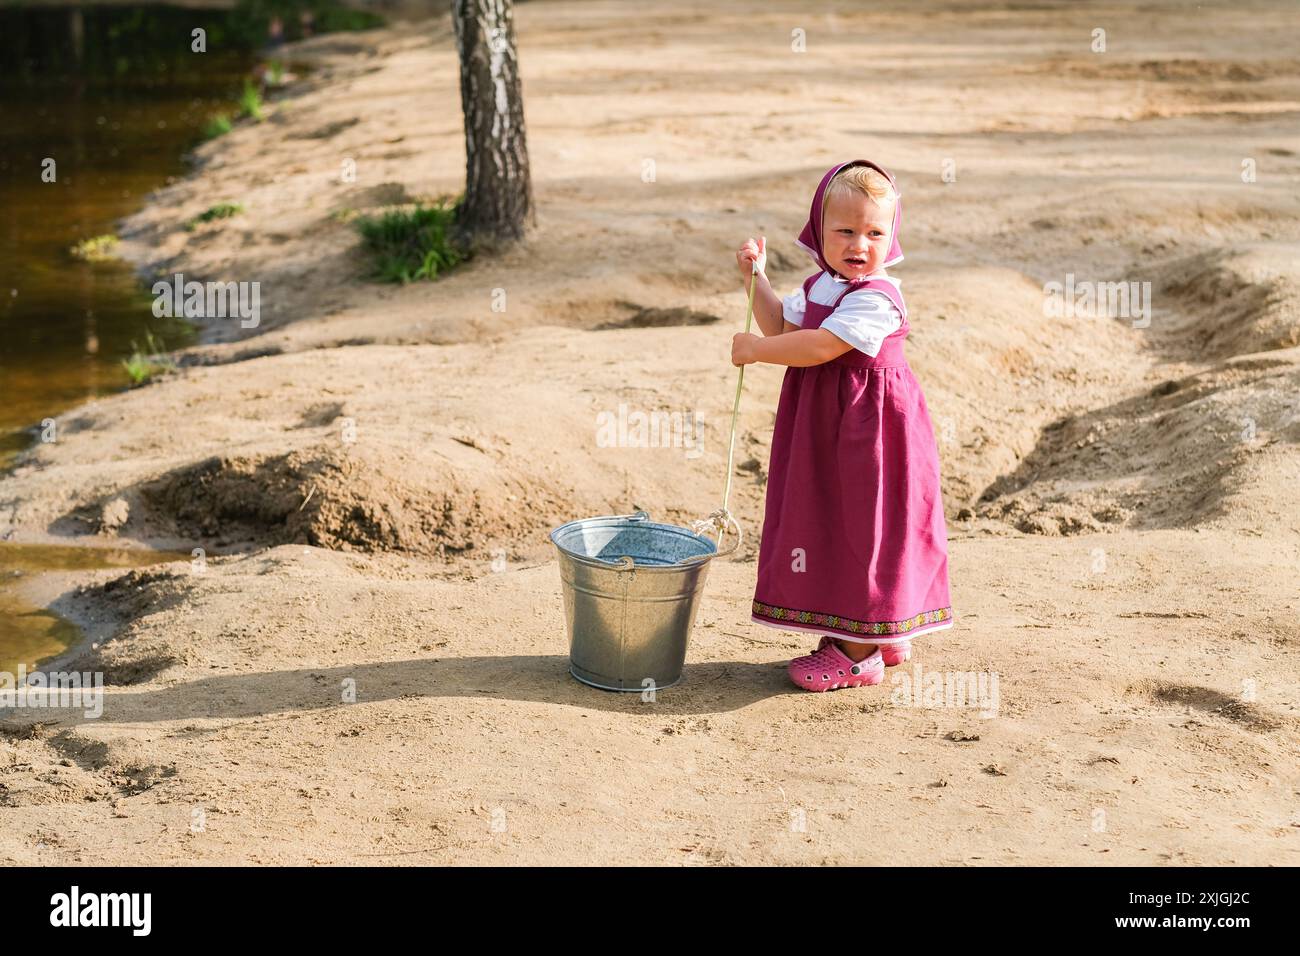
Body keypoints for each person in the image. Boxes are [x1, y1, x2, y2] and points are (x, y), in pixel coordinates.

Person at [731, 159, 954, 692]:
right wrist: (755, 279)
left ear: (892, 235)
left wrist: (758, 352)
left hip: (870, 432)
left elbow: (819, 346)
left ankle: (859, 654)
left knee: (866, 524)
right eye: (845, 231)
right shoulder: (821, 286)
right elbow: (782, 325)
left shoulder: (876, 296)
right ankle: (879, 629)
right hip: (825, 429)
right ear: (819, 230)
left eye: (875, 233)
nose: (860, 244)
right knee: (829, 519)